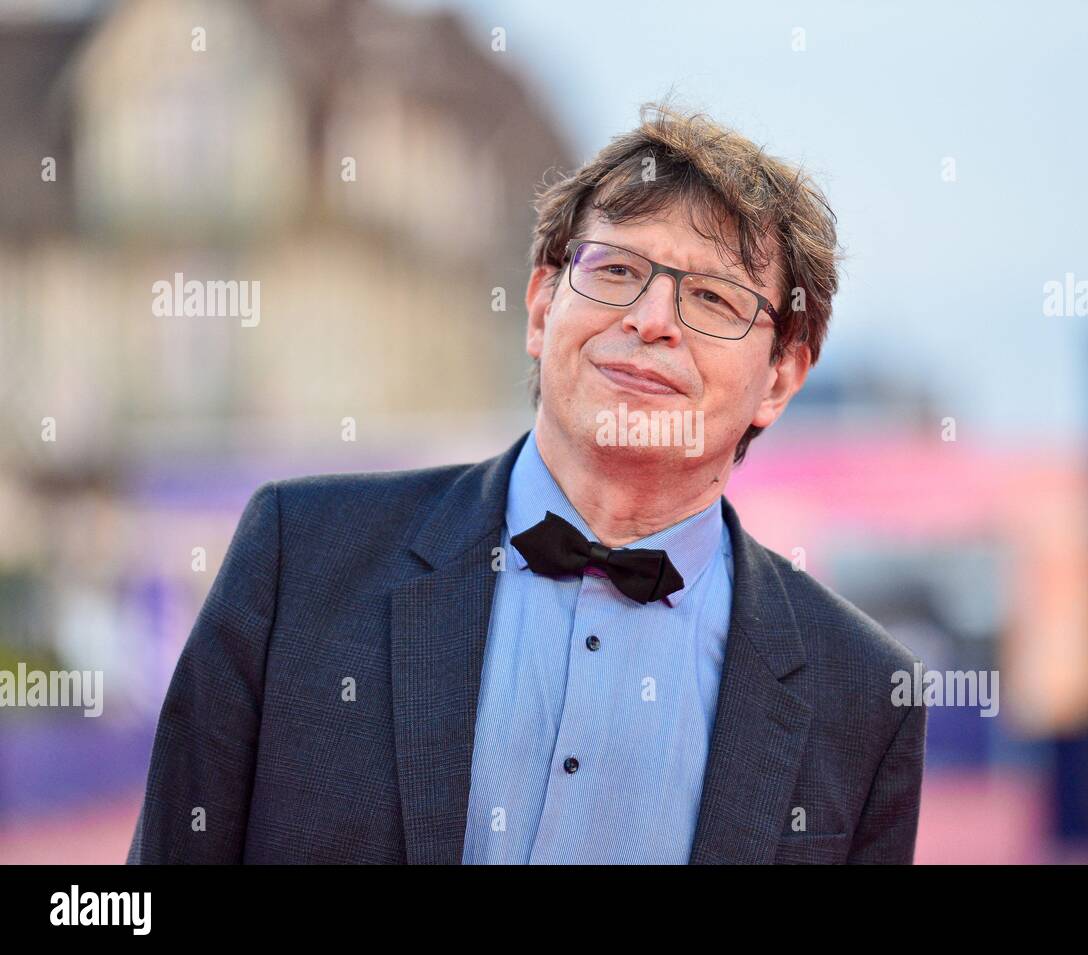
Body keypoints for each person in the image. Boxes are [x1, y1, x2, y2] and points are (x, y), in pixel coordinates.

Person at [128, 102, 927, 865]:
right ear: (542, 306)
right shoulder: (297, 560)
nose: (651, 318)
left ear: (782, 376)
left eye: (714, 297)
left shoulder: (862, 694)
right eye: (616, 269)